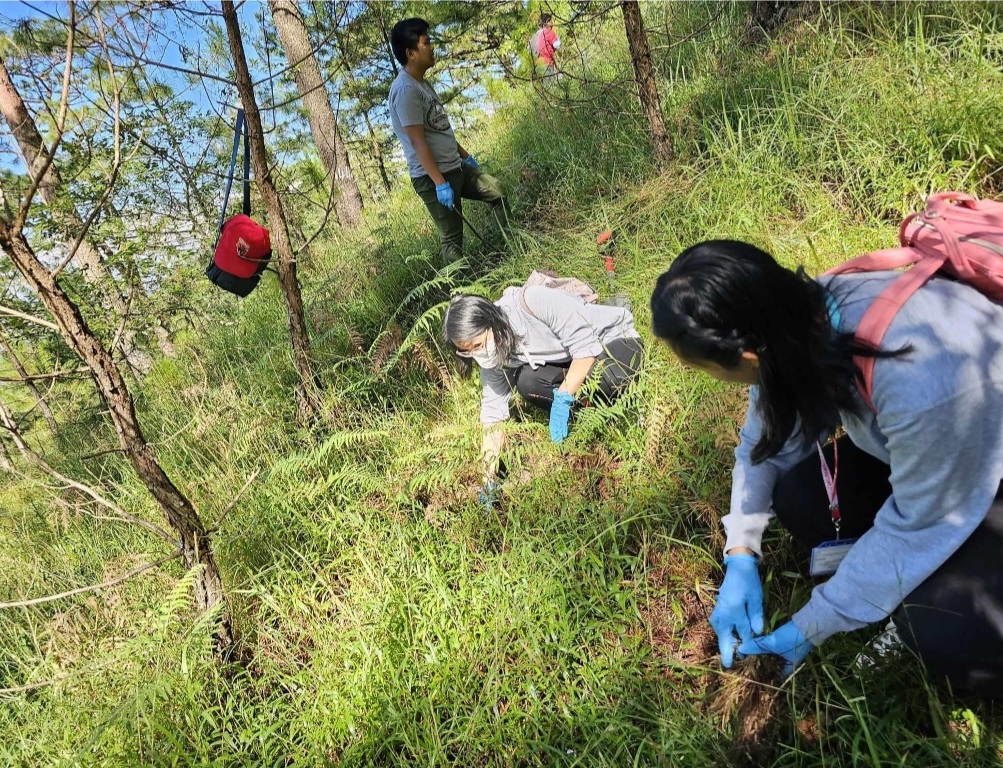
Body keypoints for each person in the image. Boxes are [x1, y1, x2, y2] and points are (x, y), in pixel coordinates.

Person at [649, 239, 1003, 696]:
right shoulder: (792, 320)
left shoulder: (919, 383)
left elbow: (919, 525)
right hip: (938, 455)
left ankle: (926, 612)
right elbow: (765, 445)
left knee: (940, 630)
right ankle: (893, 587)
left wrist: (813, 623)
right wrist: (741, 550)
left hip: (983, 469)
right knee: (801, 499)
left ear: (748, 356)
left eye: (706, 370)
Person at [443, 285, 644, 503]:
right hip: (569, 360)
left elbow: (585, 348)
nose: (477, 354)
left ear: (491, 322)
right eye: (467, 351)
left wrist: (562, 398)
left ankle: (618, 410)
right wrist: (488, 479)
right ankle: (590, 417)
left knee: (613, 378)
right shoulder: (494, 358)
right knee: (528, 382)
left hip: (610, 340)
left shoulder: (532, 301)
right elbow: (493, 416)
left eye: (478, 345)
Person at [388, 18, 509, 266]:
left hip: (456, 166)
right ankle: (461, 288)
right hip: (433, 177)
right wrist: (440, 184)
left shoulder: (422, 84)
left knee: (497, 191)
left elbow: (440, 129)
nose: (432, 47)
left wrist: (466, 156)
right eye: (426, 42)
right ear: (411, 53)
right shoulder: (405, 90)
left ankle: (509, 247)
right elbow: (417, 142)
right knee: (453, 241)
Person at [528, 13, 561, 79]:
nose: (552, 24)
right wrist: (558, 38)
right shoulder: (548, 32)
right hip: (547, 64)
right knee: (549, 84)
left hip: (537, 66)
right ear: (547, 21)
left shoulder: (536, 34)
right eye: (550, 21)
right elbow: (557, 45)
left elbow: (529, 48)